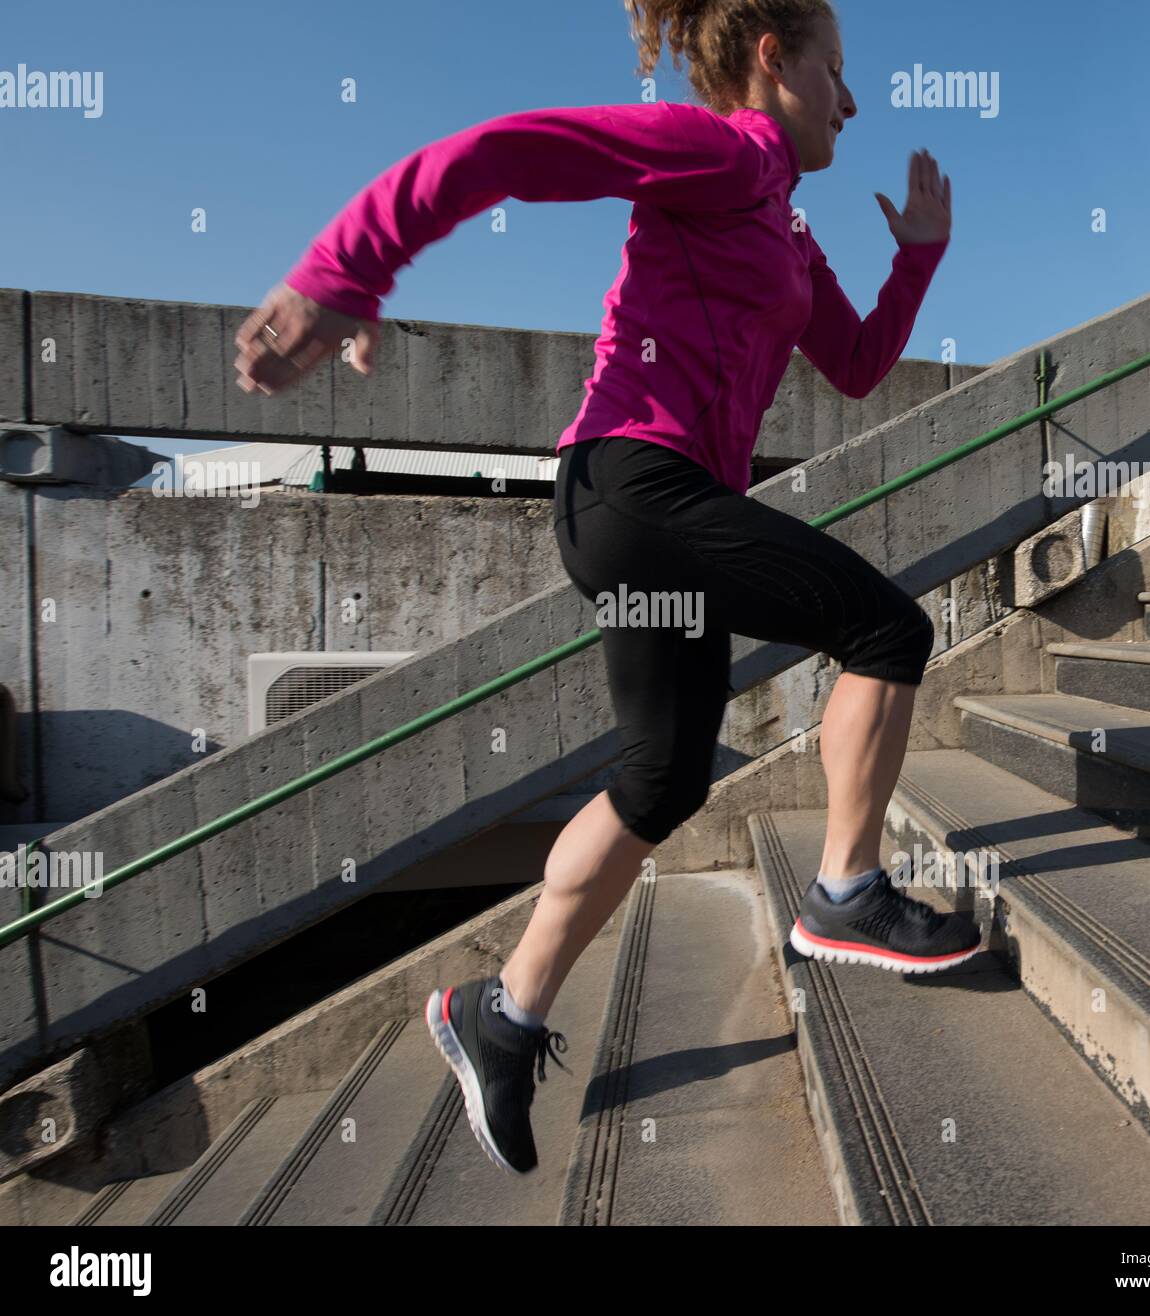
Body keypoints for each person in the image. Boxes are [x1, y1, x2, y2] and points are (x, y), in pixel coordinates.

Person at [233, 0, 978, 1178]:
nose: (855, 100)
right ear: (773, 62)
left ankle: (503, 1013)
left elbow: (853, 365)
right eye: (839, 72)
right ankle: (845, 889)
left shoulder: (783, 223)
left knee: (664, 775)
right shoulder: (715, 149)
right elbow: (503, 152)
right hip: (637, 485)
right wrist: (348, 266)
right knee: (886, 625)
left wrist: (919, 256)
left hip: (640, 515)